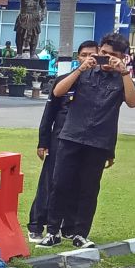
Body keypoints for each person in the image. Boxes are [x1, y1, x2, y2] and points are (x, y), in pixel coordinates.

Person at [44, 32, 135, 247]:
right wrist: (80, 69)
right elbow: (58, 92)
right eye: (103, 53)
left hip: (99, 140)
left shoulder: (121, 78)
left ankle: (80, 233)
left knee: (88, 189)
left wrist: (124, 71)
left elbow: (133, 102)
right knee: (60, 184)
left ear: (122, 57)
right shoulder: (85, 71)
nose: (106, 58)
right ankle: (52, 231)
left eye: (112, 55)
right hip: (71, 136)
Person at [28, 40, 99, 243]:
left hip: (84, 142)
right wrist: (43, 142)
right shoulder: (64, 80)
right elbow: (49, 113)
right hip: (59, 139)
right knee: (50, 183)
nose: (88, 59)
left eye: (92, 55)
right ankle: (36, 225)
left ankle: (69, 226)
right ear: (78, 57)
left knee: (77, 184)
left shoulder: (99, 83)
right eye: (84, 55)